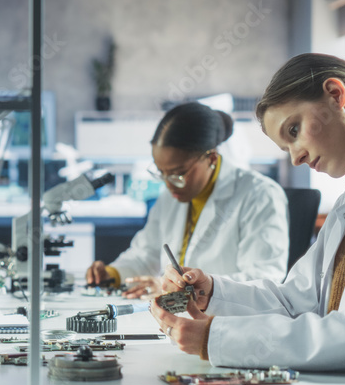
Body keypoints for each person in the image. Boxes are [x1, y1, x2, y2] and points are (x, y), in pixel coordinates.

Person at [152, 53, 345, 385]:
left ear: (335, 95)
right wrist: (213, 292)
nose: (296, 158)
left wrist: (217, 340)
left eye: (294, 130)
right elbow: (296, 300)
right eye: (286, 146)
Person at [86, 102, 289, 297]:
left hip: (226, 322)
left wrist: (187, 290)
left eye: (178, 173)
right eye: (161, 173)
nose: (168, 183)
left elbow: (264, 280)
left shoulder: (260, 195)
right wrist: (112, 274)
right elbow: (145, 254)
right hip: (178, 316)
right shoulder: (171, 197)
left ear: (211, 158)